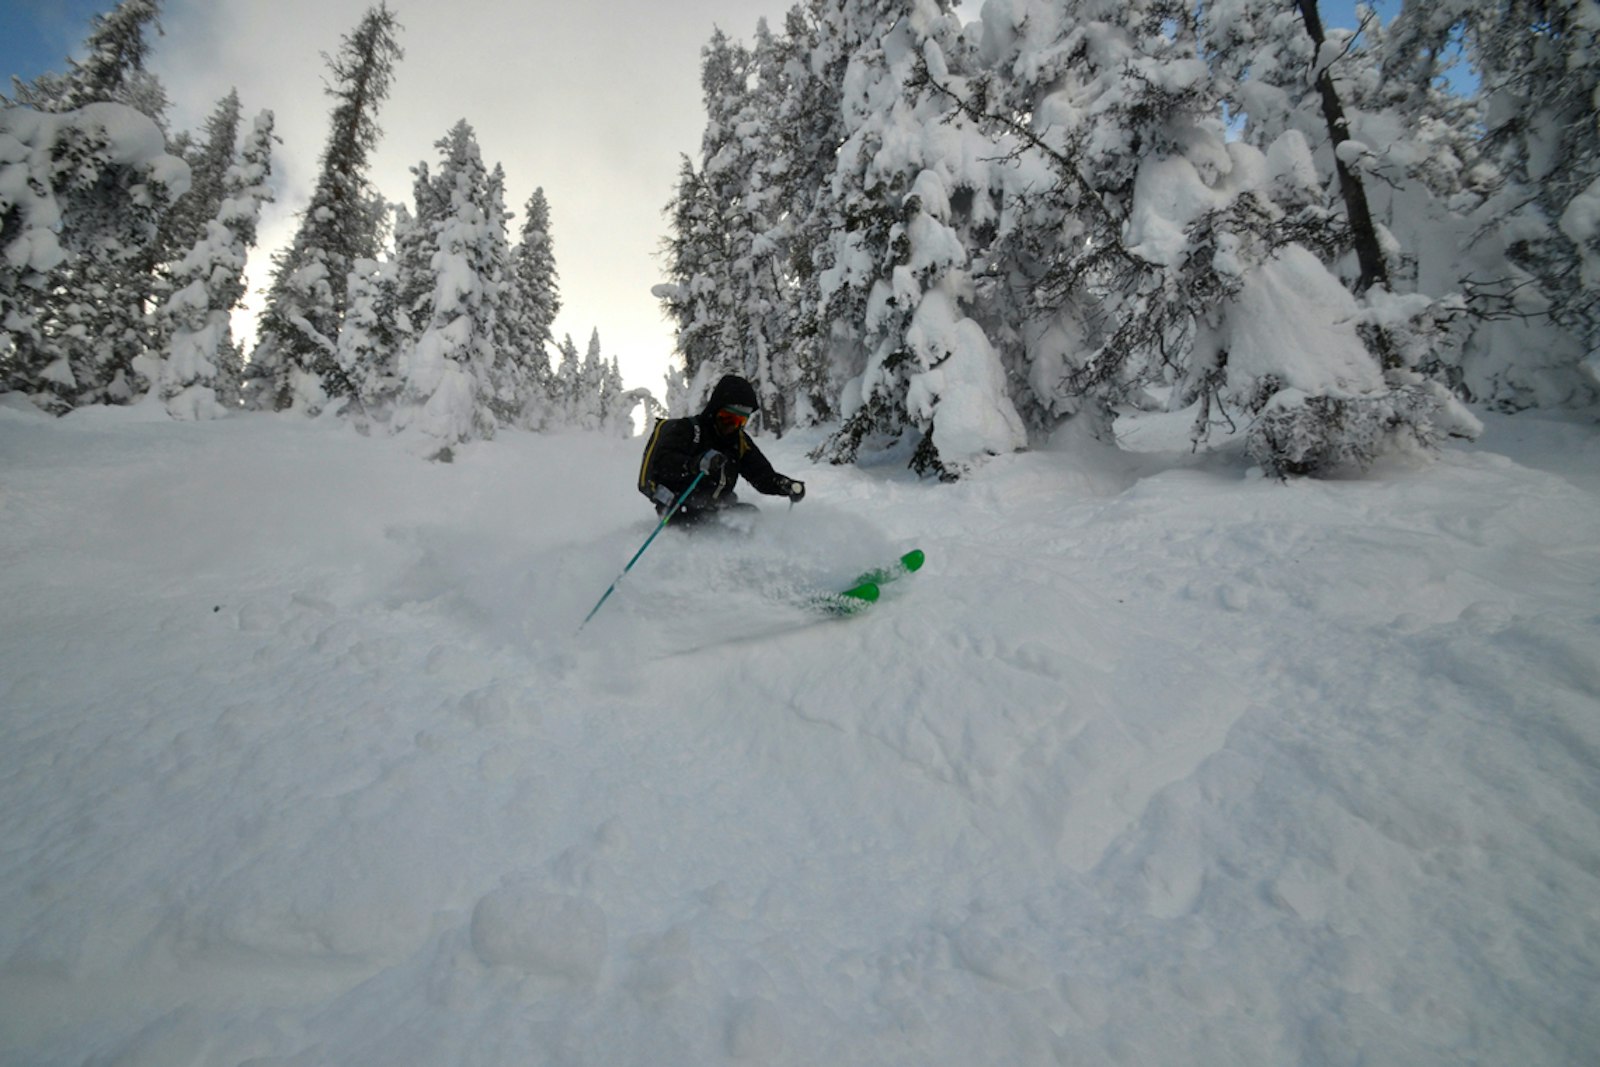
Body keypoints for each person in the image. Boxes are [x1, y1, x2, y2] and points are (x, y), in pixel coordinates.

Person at [637, 374, 805, 527]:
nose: (733, 425)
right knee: (697, 527)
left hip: (719, 508)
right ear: (715, 410)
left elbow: (761, 475)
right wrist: (693, 464)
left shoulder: (738, 442)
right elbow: (662, 463)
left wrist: (784, 485)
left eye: (740, 420)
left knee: (750, 516)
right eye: (728, 417)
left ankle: (759, 557)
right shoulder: (688, 430)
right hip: (681, 508)